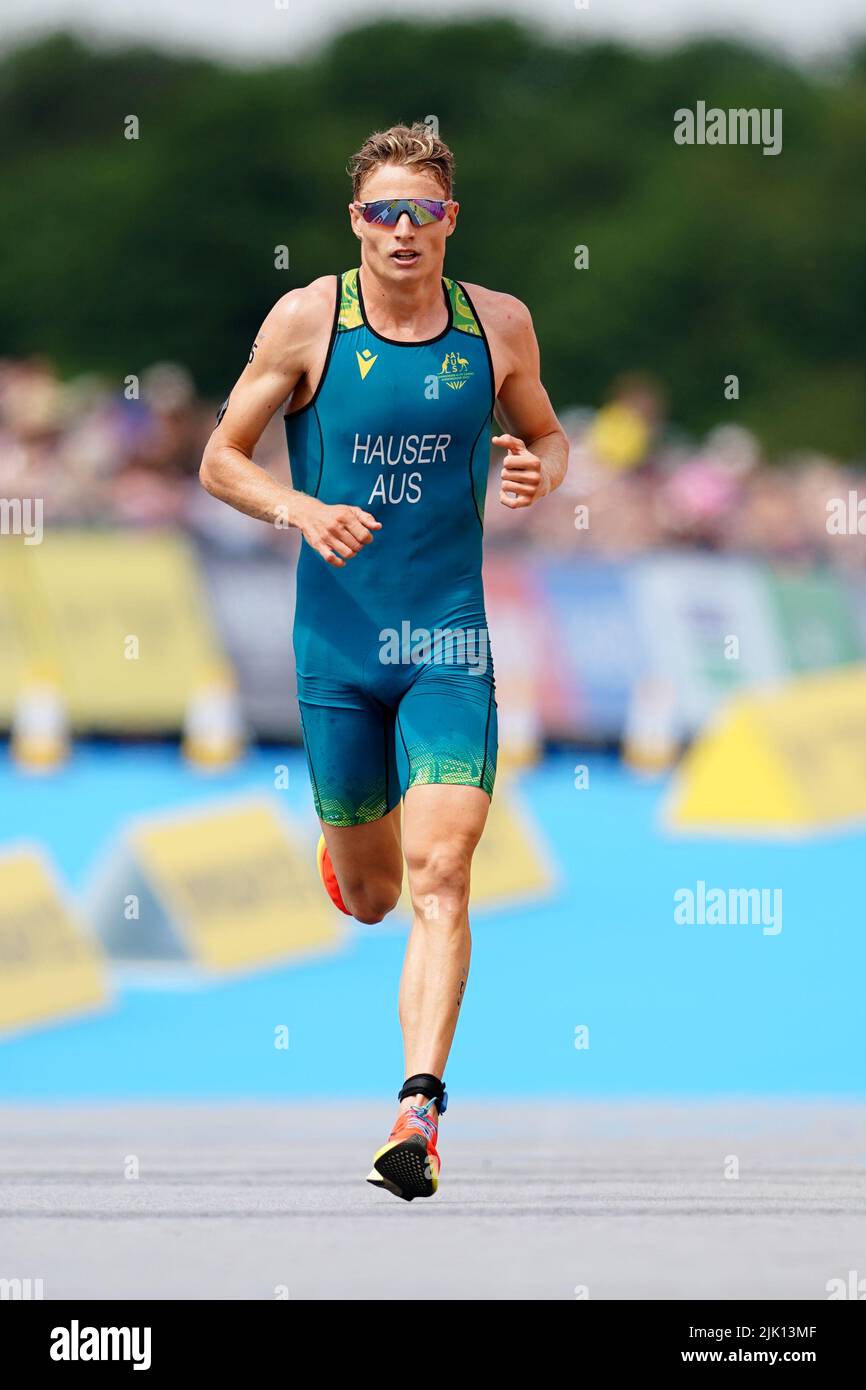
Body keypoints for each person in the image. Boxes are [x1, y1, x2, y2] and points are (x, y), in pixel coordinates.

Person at [200, 123, 568, 1200]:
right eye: (381, 212)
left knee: (442, 873)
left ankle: (418, 1108)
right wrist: (301, 507)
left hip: (447, 641)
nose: (402, 231)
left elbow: (546, 435)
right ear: (353, 221)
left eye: (423, 212)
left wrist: (535, 470)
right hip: (340, 649)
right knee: (369, 896)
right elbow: (221, 458)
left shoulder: (496, 326)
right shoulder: (308, 319)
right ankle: (346, 857)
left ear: (450, 220)